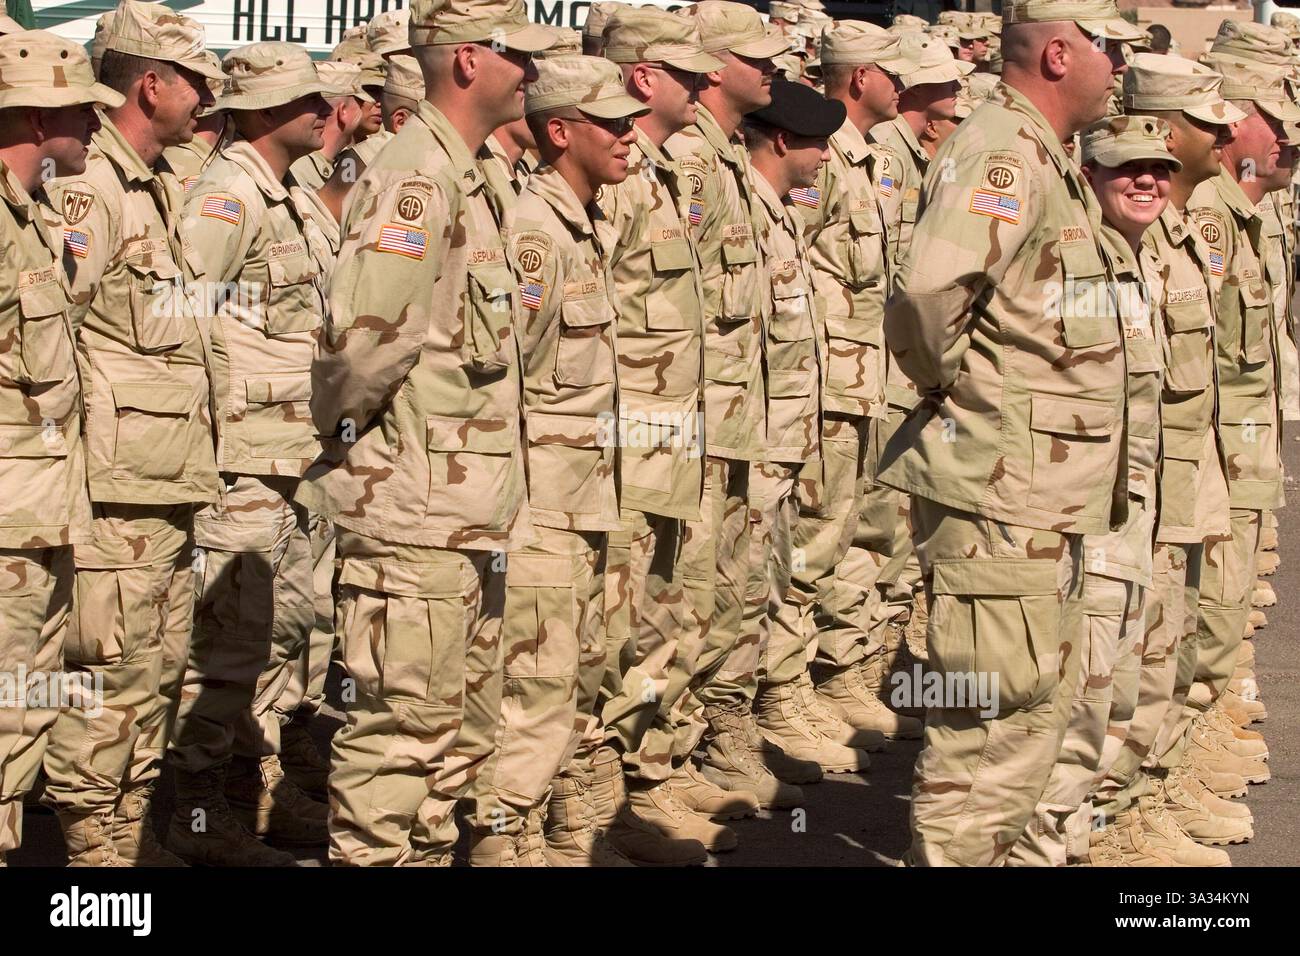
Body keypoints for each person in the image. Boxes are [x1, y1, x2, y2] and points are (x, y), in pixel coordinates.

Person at [879, 0, 1143, 867]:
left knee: (1026, 714)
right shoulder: (1001, 150)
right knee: (985, 732)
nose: (1120, 67)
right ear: (1061, 54)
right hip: (1000, 486)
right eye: (1109, 48)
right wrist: (958, 393)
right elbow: (928, 295)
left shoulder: (1038, 154)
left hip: (1034, 493)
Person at [298, 0, 554, 867]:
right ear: (470, 62)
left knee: (443, 728)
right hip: (413, 509)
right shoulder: (418, 175)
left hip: (462, 510)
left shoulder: (466, 171)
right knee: (398, 731)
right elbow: (362, 344)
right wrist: (354, 449)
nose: (534, 73)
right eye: (518, 55)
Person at [39, 1, 223, 868]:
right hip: (110, 488)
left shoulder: (160, 185)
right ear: (150, 83)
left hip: (166, 478)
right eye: (196, 79)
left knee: (153, 671)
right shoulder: (88, 191)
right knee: (104, 672)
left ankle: (130, 827)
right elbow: (49, 336)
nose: (208, 97)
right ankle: (89, 851)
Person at [474, 54, 645, 866]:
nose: (629, 134)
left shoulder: (585, 219)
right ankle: (504, 843)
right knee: (532, 690)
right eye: (611, 122)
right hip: (538, 502)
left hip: (583, 497)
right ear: (559, 130)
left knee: (570, 679)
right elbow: (504, 378)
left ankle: (547, 832)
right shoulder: (534, 233)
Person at [166, 40, 334, 867]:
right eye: (309, 100)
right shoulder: (228, 198)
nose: (326, 111)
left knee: (280, 632)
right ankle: (192, 813)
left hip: (288, 453)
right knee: (229, 640)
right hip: (242, 458)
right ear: (266, 109)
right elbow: (181, 323)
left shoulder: (290, 191)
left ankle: (250, 790)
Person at [1085, 55, 1248, 865]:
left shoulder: (1174, 233)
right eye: (1208, 120)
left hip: (1175, 480)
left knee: (1162, 655)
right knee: (1117, 670)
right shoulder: (1111, 235)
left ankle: (1139, 802)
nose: (1226, 135)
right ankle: (1110, 824)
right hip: (1122, 494)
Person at [664, 0, 820, 823]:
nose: (772, 72)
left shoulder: (721, 156)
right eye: (756, 59)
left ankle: (705, 739)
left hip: (737, 425)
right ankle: (652, 770)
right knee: (678, 607)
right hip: (691, 432)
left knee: (733, 592)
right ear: (714, 66)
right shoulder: (687, 163)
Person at [758, 22, 923, 784]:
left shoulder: (860, 160)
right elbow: (786, 275)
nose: (910, 86)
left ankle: (831, 676)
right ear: (859, 78)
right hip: (820, 391)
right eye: (895, 73)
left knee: (844, 542)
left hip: (863, 382)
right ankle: (784, 695)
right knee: (806, 551)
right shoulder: (823, 164)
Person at [590, 4, 733, 866]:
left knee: (671, 611)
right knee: (610, 631)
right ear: (646, 79)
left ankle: (649, 774)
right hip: (623, 444)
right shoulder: (609, 177)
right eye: (689, 74)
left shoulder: (668, 168)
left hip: (674, 431)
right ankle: (597, 805)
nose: (704, 86)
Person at [0, 28, 116, 869]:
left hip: (40, 518)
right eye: (84, 108)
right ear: (40, 116)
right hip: (7, 524)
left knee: (24, 711)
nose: (97, 125)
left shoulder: (32, 214)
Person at [1183, 53, 1297, 796]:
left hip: (1245, 441)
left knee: (1221, 608)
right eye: (1279, 124)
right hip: (1212, 449)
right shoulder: (1209, 215)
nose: (1291, 143)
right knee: (1198, 609)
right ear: (1236, 119)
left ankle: (1194, 735)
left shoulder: (1245, 212)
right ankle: (1168, 767)